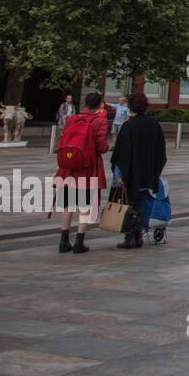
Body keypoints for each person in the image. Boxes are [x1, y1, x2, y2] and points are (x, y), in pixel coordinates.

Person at [55, 91, 110, 254]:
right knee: (85, 205)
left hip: (69, 167)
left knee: (67, 204)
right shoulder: (100, 121)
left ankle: (64, 240)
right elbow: (102, 146)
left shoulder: (72, 119)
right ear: (99, 105)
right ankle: (80, 240)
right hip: (88, 168)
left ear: (84, 103)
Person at [111, 92, 167, 249]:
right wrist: (156, 170)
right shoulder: (154, 124)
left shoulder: (128, 126)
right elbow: (161, 151)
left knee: (131, 203)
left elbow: (121, 153)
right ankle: (138, 235)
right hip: (148, 173)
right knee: (141, 202)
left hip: (132, 173)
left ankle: (131, 236)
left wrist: (119, 174)